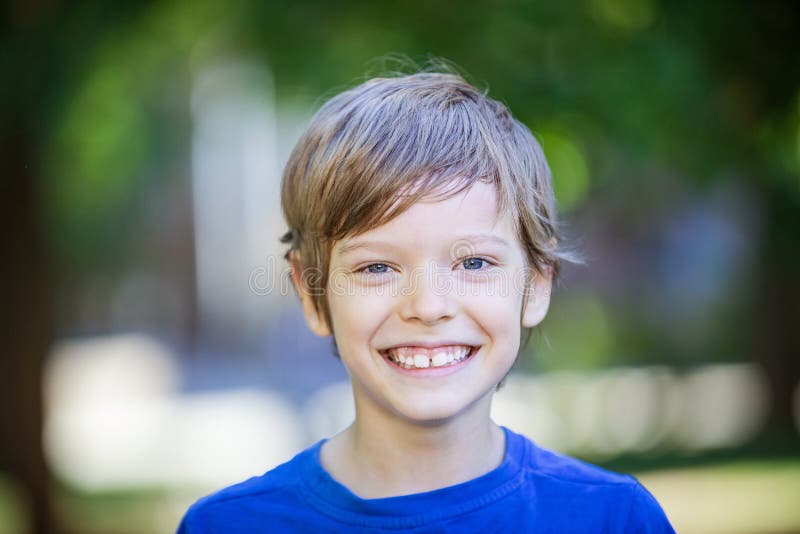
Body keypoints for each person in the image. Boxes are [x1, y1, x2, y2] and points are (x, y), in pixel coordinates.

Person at [177, 68, 675, 533]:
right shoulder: (228, 526)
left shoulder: (612, 519)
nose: (428, 306)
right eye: (377, 267)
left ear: (536, 285)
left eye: (475, 264)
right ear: (312, 293)